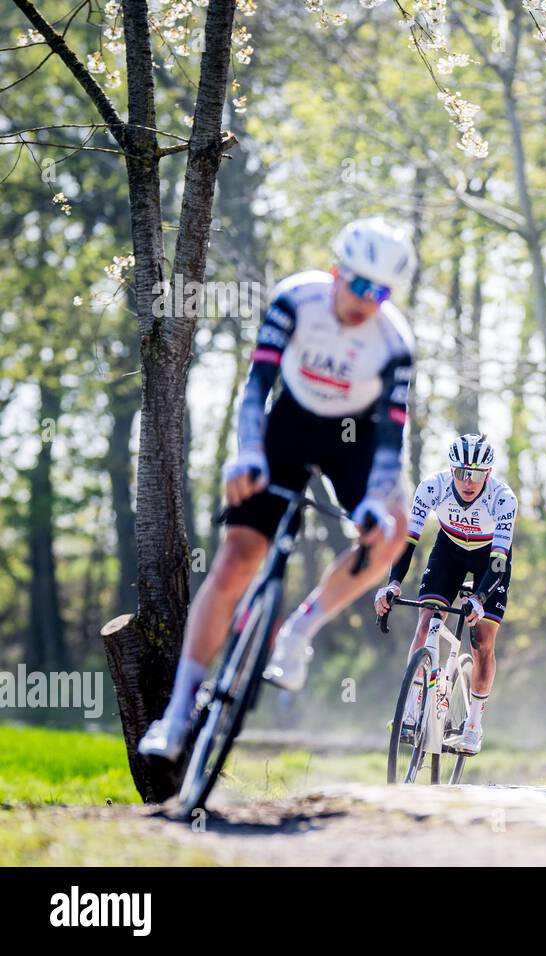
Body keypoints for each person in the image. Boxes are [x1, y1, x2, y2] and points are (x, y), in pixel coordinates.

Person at [139, 217, 418, 762]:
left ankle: (298, 630)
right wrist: (246, 453)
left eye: (380, 292)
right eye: (358, 283)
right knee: (238, 559)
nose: (366, 300)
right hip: (288, 423)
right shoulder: (297, 300)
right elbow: (256, 388)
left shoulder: (394, 344)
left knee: (394, 532)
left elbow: (391, 439)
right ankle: (176, 716)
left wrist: (372, 502)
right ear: (336, 272)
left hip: (355, 437)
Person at [374, 434, 516, 756]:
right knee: (426, 622)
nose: (468, 481)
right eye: (461, 473)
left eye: (477, 474)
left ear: (488, 474)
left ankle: (473, 726)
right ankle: (412, 710)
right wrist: (393, 583)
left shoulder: (503, 499)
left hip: (489, 560)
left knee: (482, 642)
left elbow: (498, 560)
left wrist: (479, 599)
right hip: (448, 551)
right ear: (451, 470)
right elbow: (408, 541)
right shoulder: (431, 487)